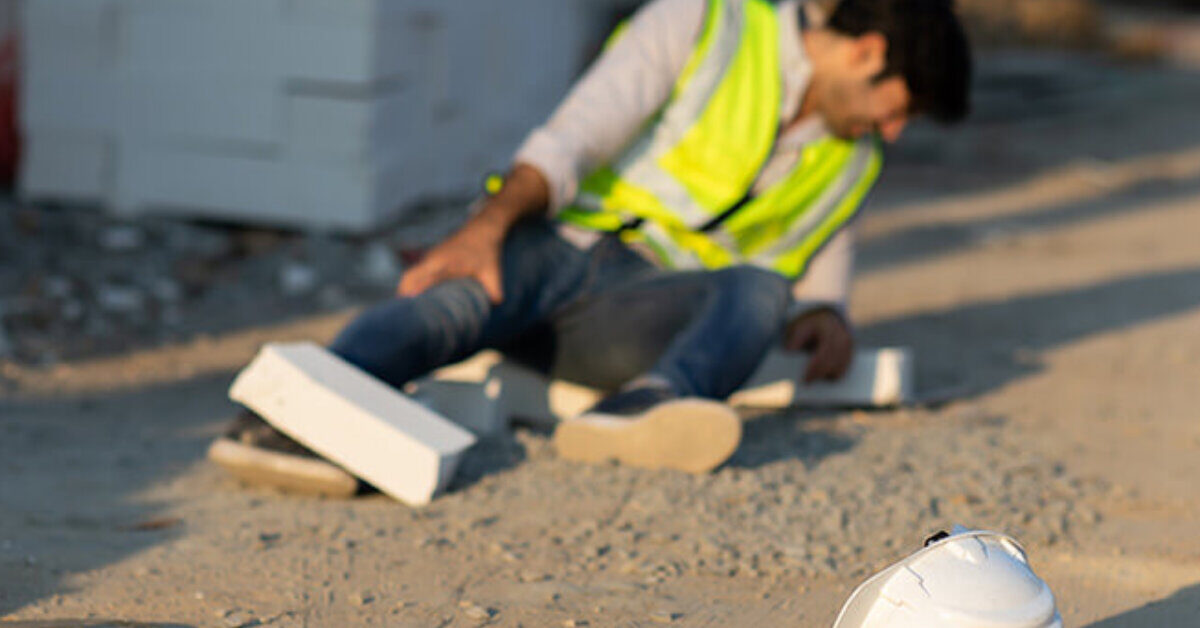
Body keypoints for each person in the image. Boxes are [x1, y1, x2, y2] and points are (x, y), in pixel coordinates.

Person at [219, 0, 972, 479]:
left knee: (764, 292)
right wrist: (486, 229)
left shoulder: (857, 154)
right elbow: (571, 140)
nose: (895, 132)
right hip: (564, 255)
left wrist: (827, 313)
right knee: (456, 301)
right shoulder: (705, 23)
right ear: (866, 52)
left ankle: (645, 412)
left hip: (641, 323)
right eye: (898, 107)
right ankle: (287, 415)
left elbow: (817, 253)